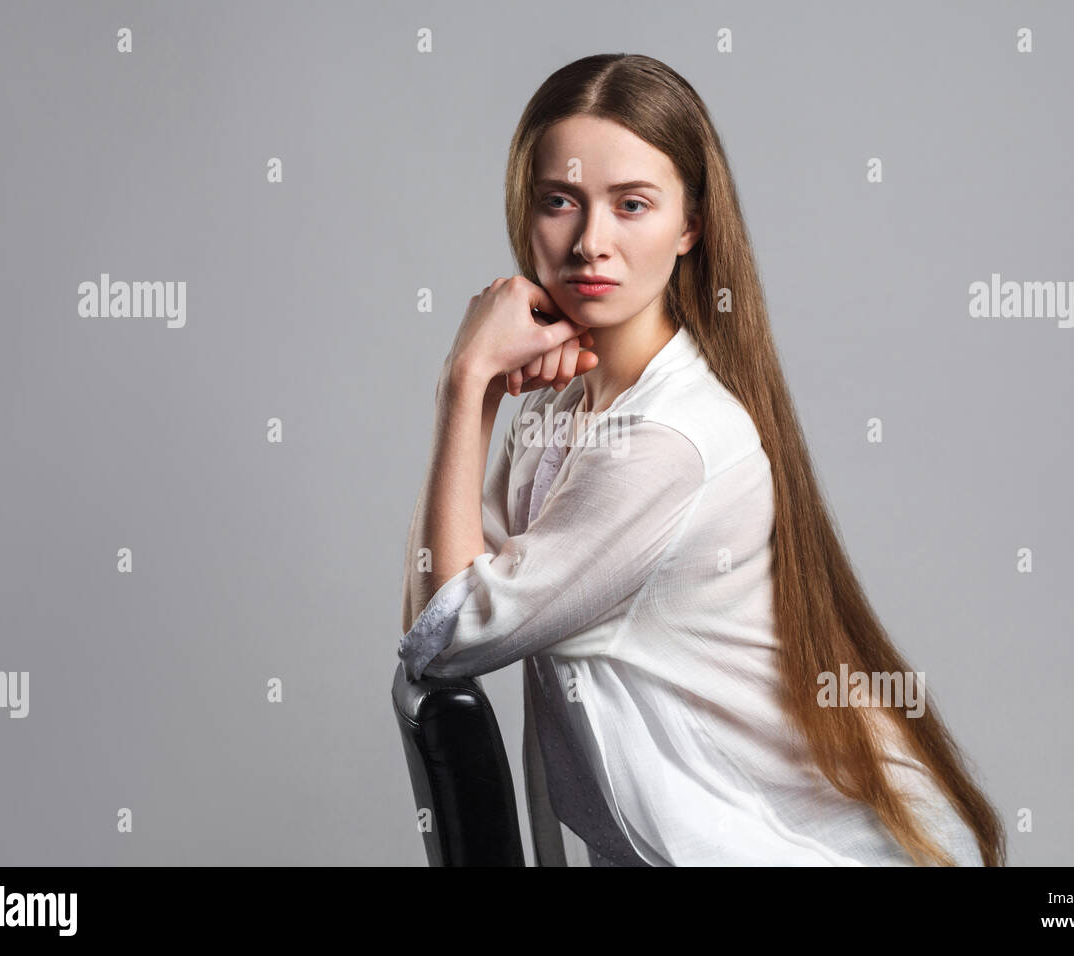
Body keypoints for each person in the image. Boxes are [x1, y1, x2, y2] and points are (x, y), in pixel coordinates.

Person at [399, 53, 1005, 867]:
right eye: (560, 202)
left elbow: (445, 640)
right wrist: (479, 401)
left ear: (691, 226)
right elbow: (435, 625)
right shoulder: (554, 410)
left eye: (633, 205)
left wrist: (463, 381)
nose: (590, 243)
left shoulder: (664, 445)